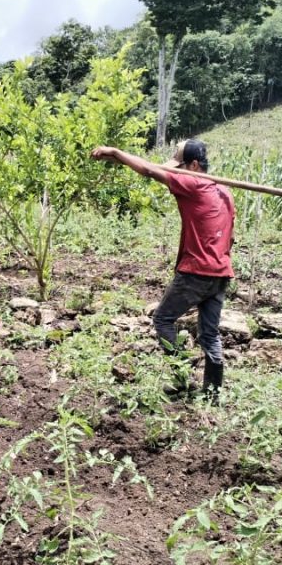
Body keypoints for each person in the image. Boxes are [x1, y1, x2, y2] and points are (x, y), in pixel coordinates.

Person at [90, 139, 234, 398]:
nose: (176, 170)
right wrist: (120, 160)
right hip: (221, 271)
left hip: (196, 271)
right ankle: (213, 393)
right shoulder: (225, 191)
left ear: (193, 165)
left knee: (163, 319)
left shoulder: (192, 183)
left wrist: (115, 151)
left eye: (180, 166)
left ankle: (181, 376)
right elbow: (230, 237)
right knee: (210, 335)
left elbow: (149, 170)